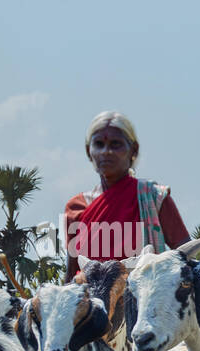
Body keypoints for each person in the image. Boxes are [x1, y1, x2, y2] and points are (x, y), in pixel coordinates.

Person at [63, 111, 190, 277]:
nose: (106, 152)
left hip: (142, 298)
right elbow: (72, 274)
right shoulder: (76, 208)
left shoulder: (153, 198)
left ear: (134, 150)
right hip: (92, 300)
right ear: (89, 151)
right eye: (99, 144)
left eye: (116, 144)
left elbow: (186, 255)